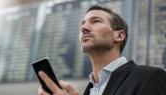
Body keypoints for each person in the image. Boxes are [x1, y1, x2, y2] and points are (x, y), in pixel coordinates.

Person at [38, 4, 166, 95]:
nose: (84, 28)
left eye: (96, 21)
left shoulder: (150, 77)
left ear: (119, 35)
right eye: (82, 24)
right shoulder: (89, 91)